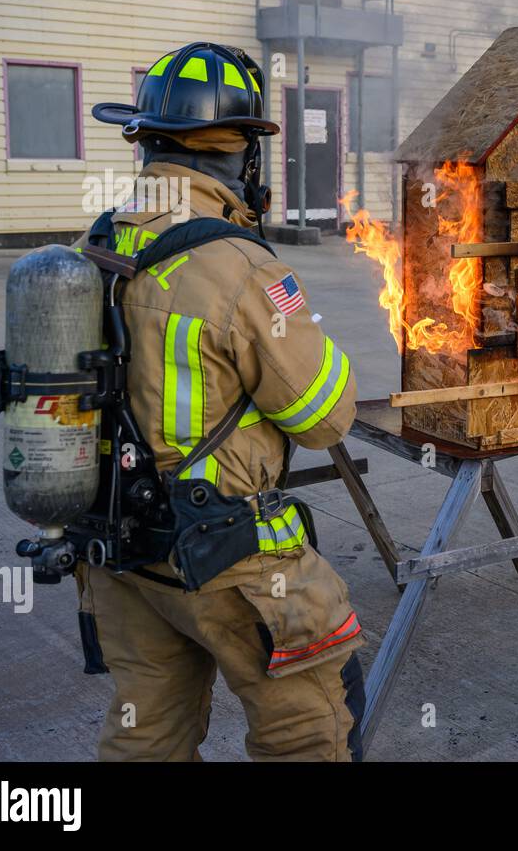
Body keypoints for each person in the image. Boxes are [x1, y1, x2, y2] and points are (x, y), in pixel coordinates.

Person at [73, 41, 364, 761]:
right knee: (314, 721)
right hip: (227, 557)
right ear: (240, 155)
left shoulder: (96, 243)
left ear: (148, 145)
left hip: (119, 558)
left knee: (147, 735)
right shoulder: (240, 267)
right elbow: (325, 418)